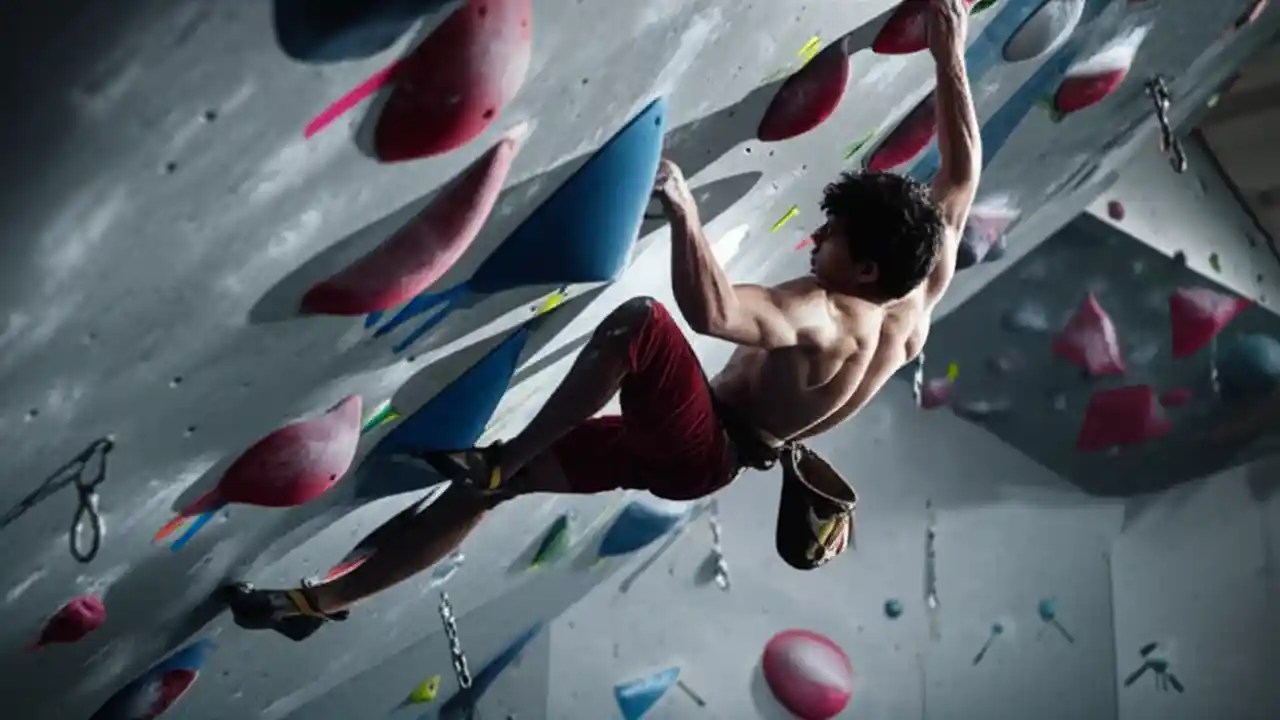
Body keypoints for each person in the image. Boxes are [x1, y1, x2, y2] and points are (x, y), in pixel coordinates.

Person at [224, 0, 981, 639]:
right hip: (698, 451)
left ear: (866, 270)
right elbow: (962, 171)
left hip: (699, 444)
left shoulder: (824, 315)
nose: (817, 240)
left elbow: (712, 313)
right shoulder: (918, 291)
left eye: (833, 239)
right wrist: (950, 48)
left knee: (639, 326)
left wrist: (683, 213)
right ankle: (313, 605)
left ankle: (503, 458)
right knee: (491, 494)